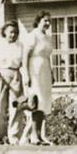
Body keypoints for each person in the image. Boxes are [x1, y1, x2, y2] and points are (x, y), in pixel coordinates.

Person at [23, 12, 55, 146]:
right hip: (34, 70)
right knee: (36, 101)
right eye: (45, 20)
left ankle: (39, 135)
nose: (47, 23)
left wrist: (52, 73)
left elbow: (48, 56)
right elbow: (25, 56)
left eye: (49, 21)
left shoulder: (47, 38)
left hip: (45, 71)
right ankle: (33, 136)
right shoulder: (32, 36)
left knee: (44, 103)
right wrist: (26, 74)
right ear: (38, 21)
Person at [0, 21, 26, 144]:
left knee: (16, 107)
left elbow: (24, 63)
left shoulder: (21, 46)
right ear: (5, 32)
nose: (13, 35)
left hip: (16, 75)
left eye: (15, 32)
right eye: (11, 32)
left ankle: (14, 137)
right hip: (1, 75)